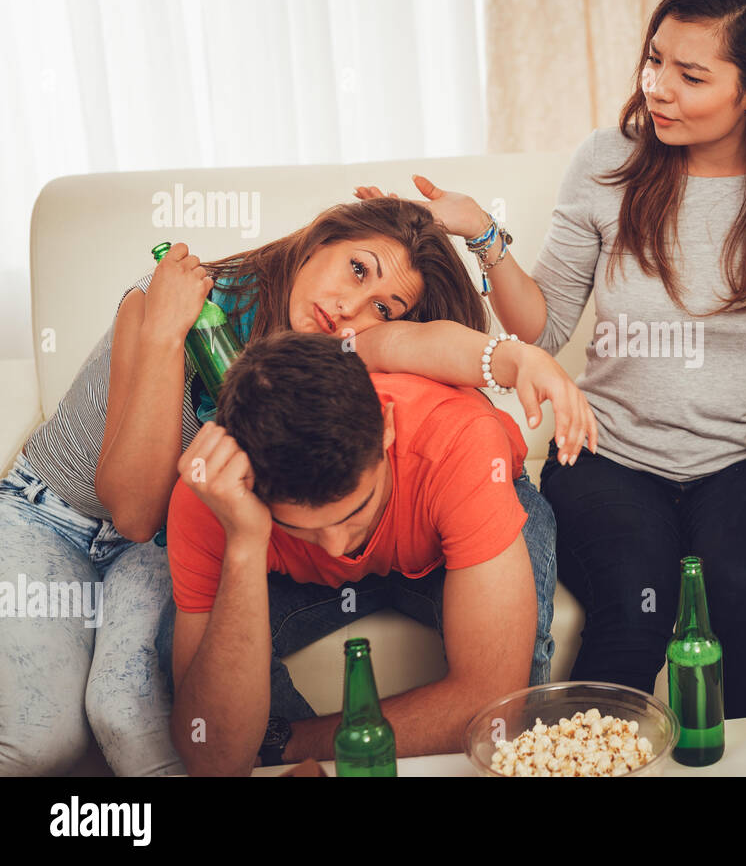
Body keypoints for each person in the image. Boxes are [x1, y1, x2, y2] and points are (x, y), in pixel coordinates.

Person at [357, 0, 746, 718]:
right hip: (609, 455)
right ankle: (591, 765)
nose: (658, 87)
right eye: (655, 60)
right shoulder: (607, 161)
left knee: (744, 600)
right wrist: (485, 238)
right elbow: (541, 327)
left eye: (691, 75)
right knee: (635, 612)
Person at [0, 196, 589, 775]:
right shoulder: (190, 316)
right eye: (357, 270)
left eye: (385, 306)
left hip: (156, 541)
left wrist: (514, 359)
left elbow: (410, 342)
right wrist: (165, 333)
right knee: (69, 731)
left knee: (126, 714)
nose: (350, 307)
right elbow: (133, 512)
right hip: (69, 514)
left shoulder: (343, 357)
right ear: (319, 237)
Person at [159, 331, 536, 774]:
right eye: (300, 526)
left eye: (355, 509)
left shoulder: (460, 442)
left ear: (387, 427)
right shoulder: (209, 495)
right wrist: (245, 544)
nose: (338, 547)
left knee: (515, 731)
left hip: (453, 515)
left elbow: (493, 711)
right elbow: (212, 756)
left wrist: (290, 741)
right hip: (310, 571)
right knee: (178, 647)